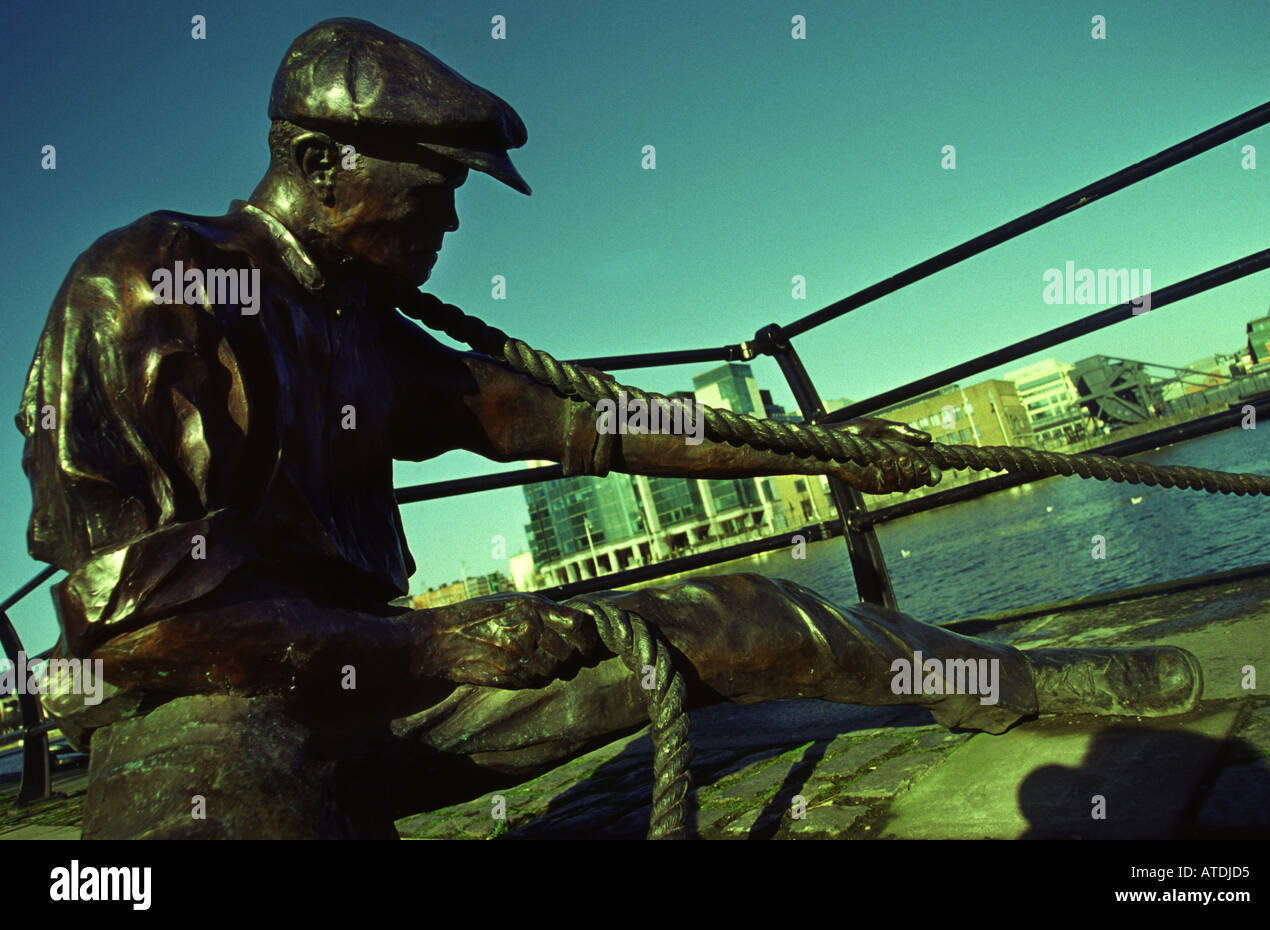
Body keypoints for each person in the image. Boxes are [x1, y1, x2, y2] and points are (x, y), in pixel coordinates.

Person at [16, 19, 1201, 838]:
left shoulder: (365, 334)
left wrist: (823, 446)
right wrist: (439, 648)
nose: (452, 229)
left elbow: (583, 424)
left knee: (745, 615)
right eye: (435, 195)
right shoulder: (152, 286)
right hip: (222, 722)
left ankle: (1012, 679)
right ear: (323, 164)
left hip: (389, 699)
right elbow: (131, 639)